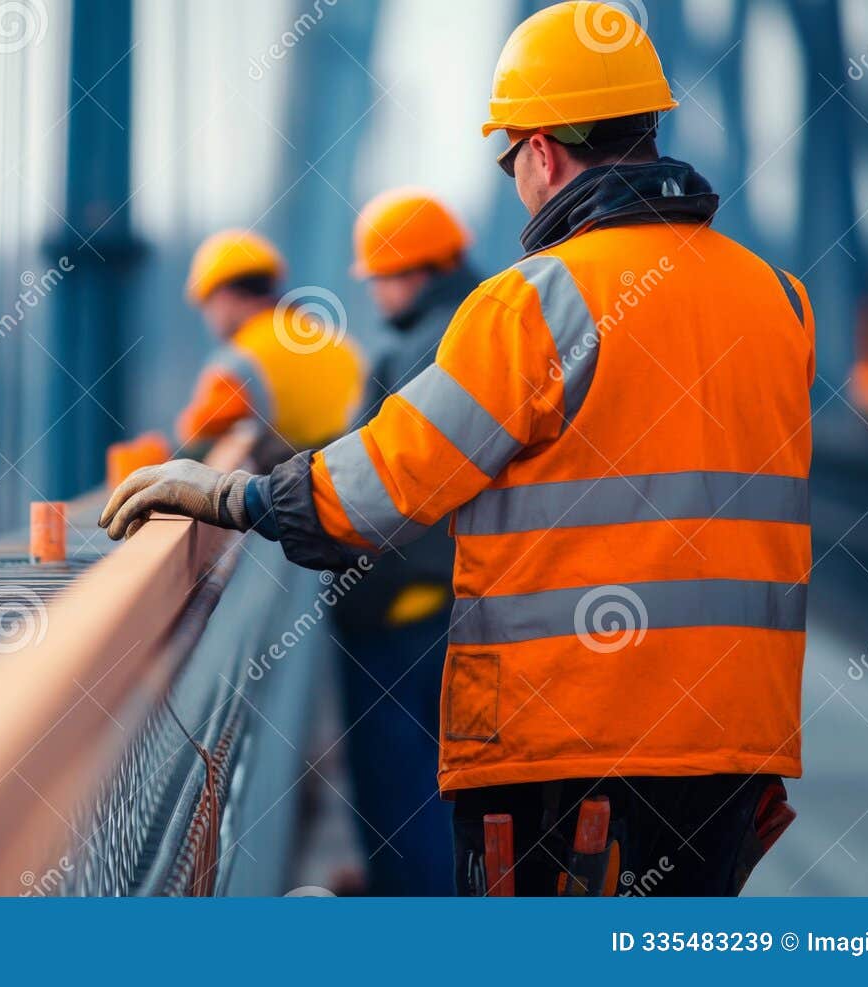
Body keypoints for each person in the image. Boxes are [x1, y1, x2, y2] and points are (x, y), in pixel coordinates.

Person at [101, 0, 810, 896]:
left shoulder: (537, 301)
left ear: (542, 153)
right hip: (734, 744)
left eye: (513, 158)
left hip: (572, 747)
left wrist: (234, 496)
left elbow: (388, 479)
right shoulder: (778, 300)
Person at [332, 189, 479, 895]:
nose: (378, 293)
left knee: (400, 784)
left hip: (411, 601)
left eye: (380, 277)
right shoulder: (473, 324)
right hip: (454, 593)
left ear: (413, 271)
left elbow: (393, 475)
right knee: (447, 784)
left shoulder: (426, 345)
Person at [173, 229, 365, 469]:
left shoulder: (238, 361)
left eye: (207, 304)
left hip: (294, 493)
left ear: (223, 296)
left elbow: (196, 433)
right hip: (349, 480)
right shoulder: (338, 342)